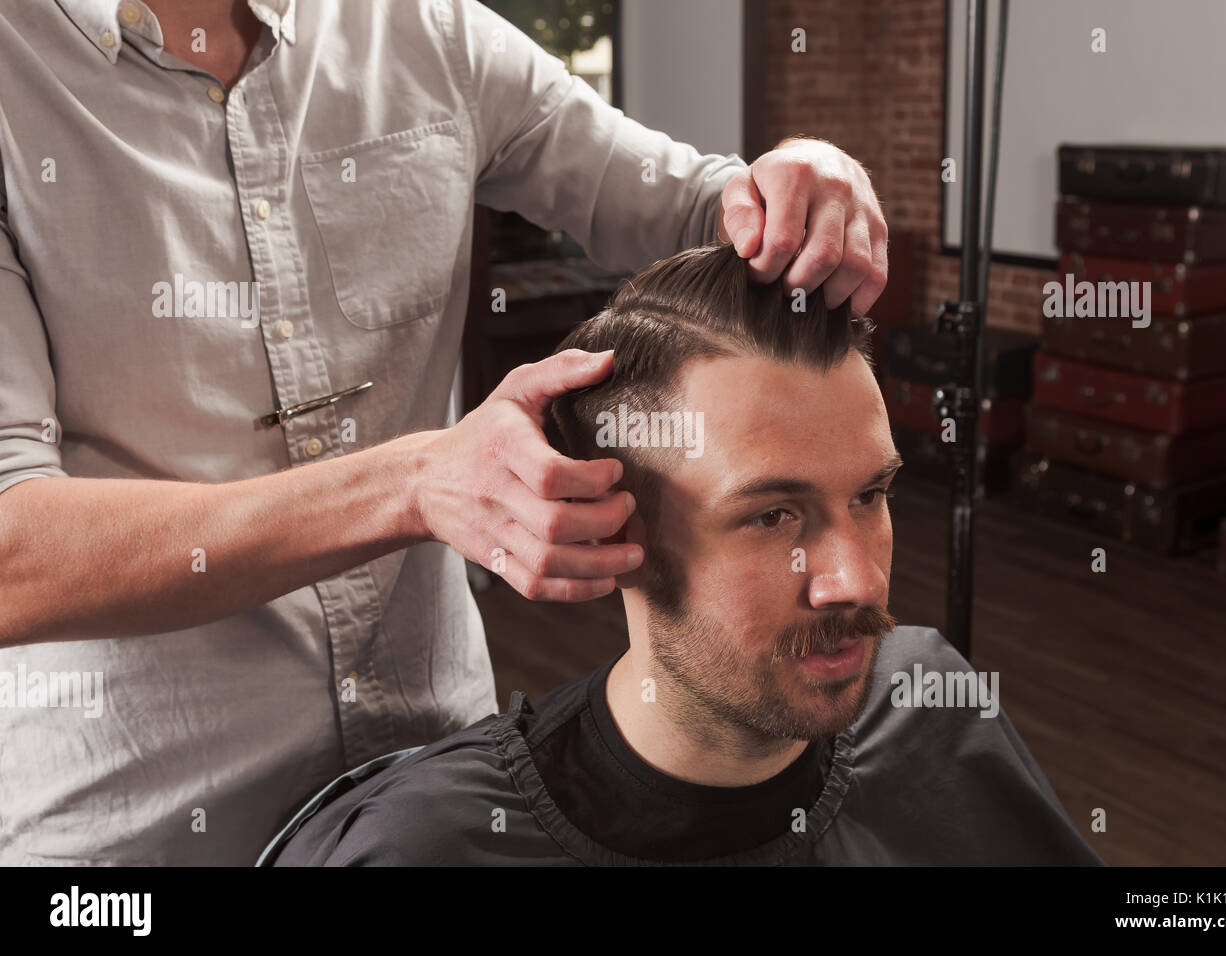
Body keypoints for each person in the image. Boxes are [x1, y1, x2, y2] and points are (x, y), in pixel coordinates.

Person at [0, 0, 889, 864]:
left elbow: (706, 205)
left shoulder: (427, 29)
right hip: (138, 822)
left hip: (438, 775)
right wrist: (415, 485)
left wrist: (806, 173)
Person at [262, 244, 1103, 866]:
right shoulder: (424, 847)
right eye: (775, 516)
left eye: (870, 496)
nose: (855, 580)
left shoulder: (925, 697)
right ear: (609, 534)